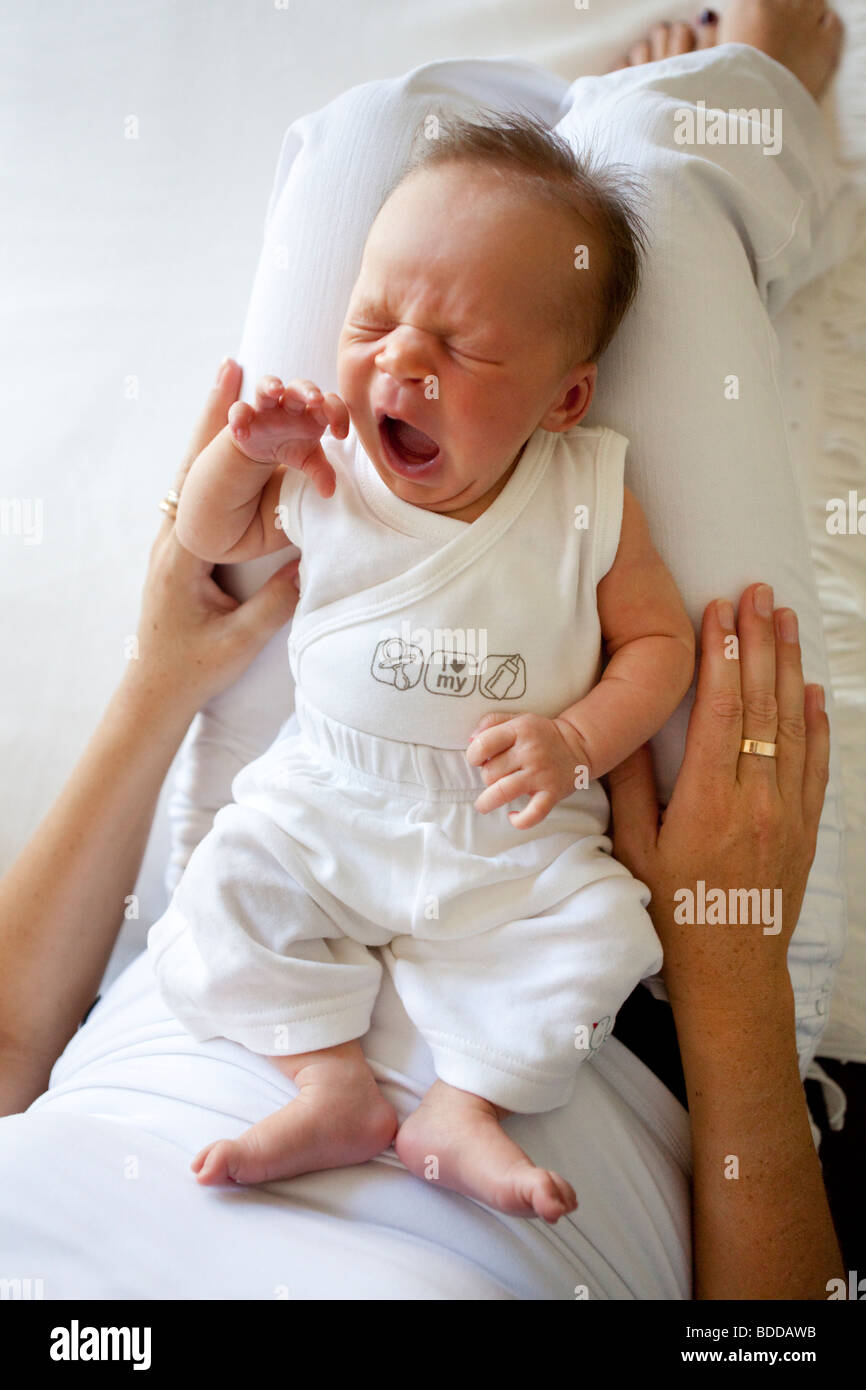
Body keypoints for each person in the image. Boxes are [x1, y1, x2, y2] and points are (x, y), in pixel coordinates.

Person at [0, 0, 848, 1297]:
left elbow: (9, 1046)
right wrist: (721, 962)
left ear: (566, 408)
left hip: (358, 810)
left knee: (373, 135)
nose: (392, 360)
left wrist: (163, 658)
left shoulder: (519, 476)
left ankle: (545, 184)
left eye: (448, 349)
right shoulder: (372, 451)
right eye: (381, 332)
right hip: (644, 990)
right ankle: (749, 101)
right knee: (661, 191)